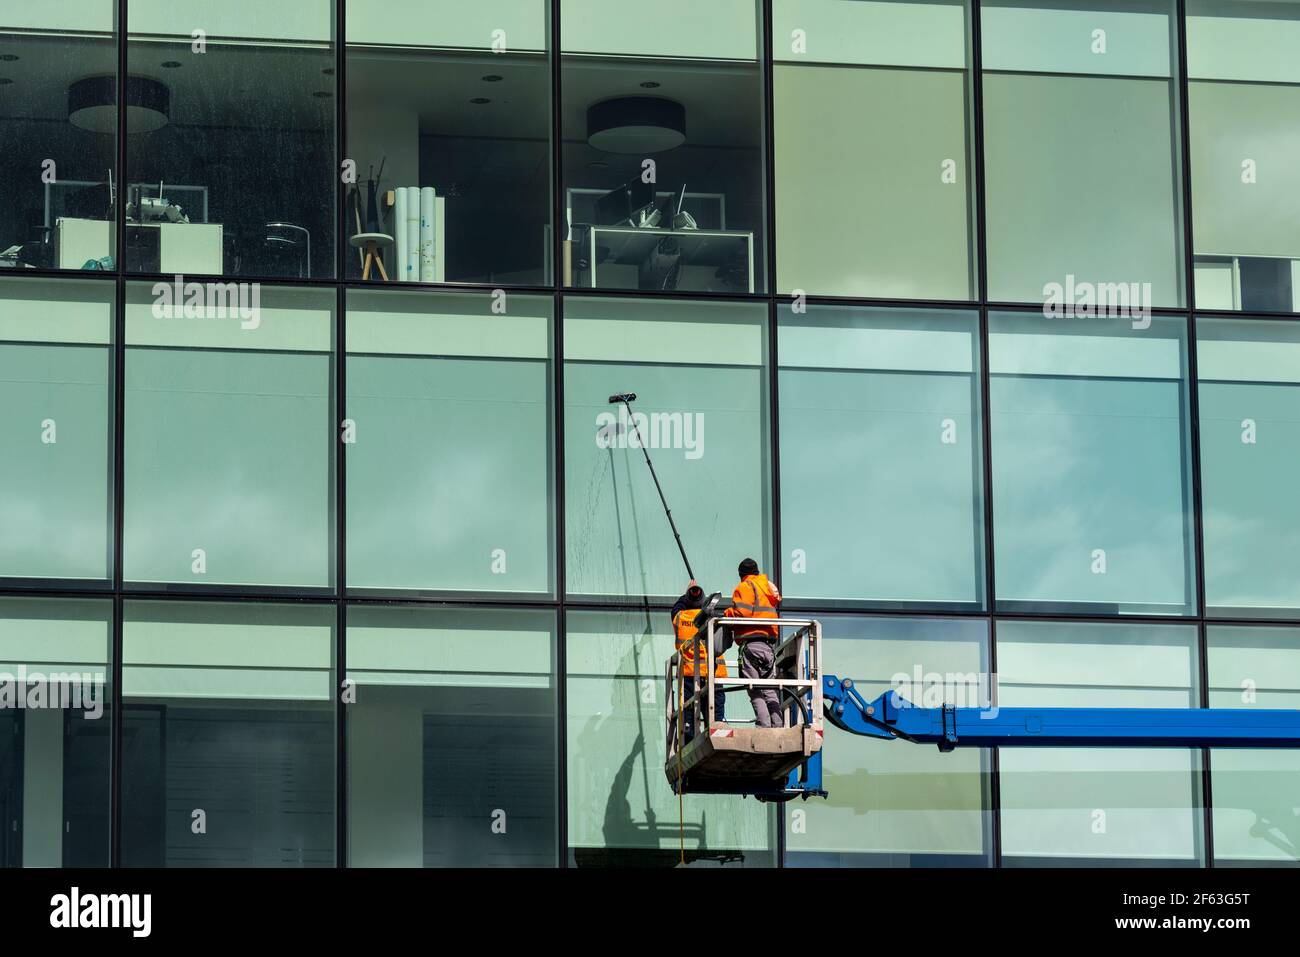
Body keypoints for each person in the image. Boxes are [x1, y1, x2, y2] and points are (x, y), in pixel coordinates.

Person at [724, 558, 784, 728]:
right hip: (768, 647)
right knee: (769, 689)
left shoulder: (745, 586)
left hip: (751, 645)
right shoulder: (767, 588)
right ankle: (777, 724)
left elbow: (742, 612)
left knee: (754, 689)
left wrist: (726, 613)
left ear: (741, 574)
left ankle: (763, 725)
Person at [671, 581, 726, 742]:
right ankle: (718, 740)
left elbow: (677, 607)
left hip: (690, 675)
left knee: (689, 717)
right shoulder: (712, 618)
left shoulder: (680, 617)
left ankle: (690, 741)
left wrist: (688, 591)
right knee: (715, 719)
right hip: (713, 674)